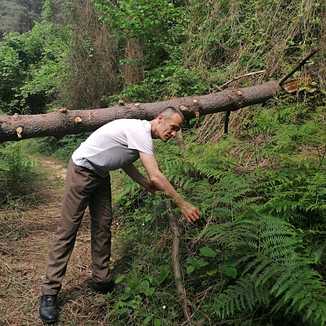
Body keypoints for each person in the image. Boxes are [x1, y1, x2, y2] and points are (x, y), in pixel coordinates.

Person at [39, 107, 200, 322]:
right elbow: (157, 175)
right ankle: (49, 293)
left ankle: (101, 279)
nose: (173, 134)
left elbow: (125, 159)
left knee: (103, 224)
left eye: (177, 131)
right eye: (172, 128)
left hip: (100, 173)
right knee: (68, 230)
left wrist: (143, 183)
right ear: (160, 118)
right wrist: (183, 204)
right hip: (81, 170)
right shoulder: (140, 132)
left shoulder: (138, 133)